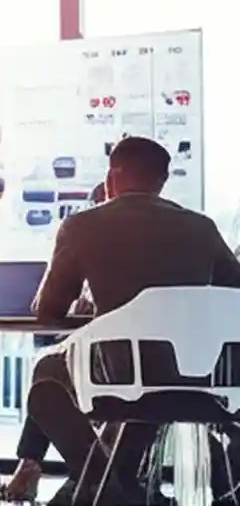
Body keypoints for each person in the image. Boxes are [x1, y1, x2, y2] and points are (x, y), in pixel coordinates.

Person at [27, 136, 240, 506]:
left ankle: (106, 486)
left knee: (45, 378)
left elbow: (48, 310)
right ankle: (117, 485)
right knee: (146, 396)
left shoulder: (83, 226)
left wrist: (93, 310)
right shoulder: (202, 227)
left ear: (113, 176)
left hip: (120, 376)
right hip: (205, 380)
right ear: (163, 180)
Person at [0, 182, 105, 503]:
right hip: (177, 366)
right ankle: (36, 467)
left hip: (113, 367)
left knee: (50, 372)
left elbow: (45, 310)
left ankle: (39, 468)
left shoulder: (90, 235)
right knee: (53, 370)